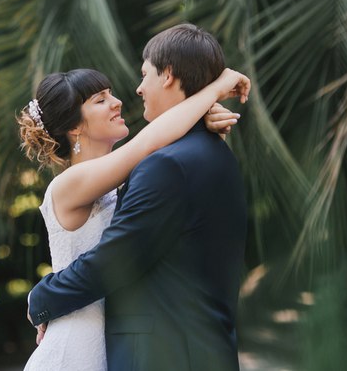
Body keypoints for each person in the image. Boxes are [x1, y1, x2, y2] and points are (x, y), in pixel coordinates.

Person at [20, 24, 249, 371]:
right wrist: (213, 91)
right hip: (78, 340)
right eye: (100, 100)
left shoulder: (136, 172)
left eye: (110, 94)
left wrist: (203, 115)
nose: (119, 101)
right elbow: (149, 142)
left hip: (114, 341)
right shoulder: (70, 183)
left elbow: (156, 143)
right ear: (75, 127)